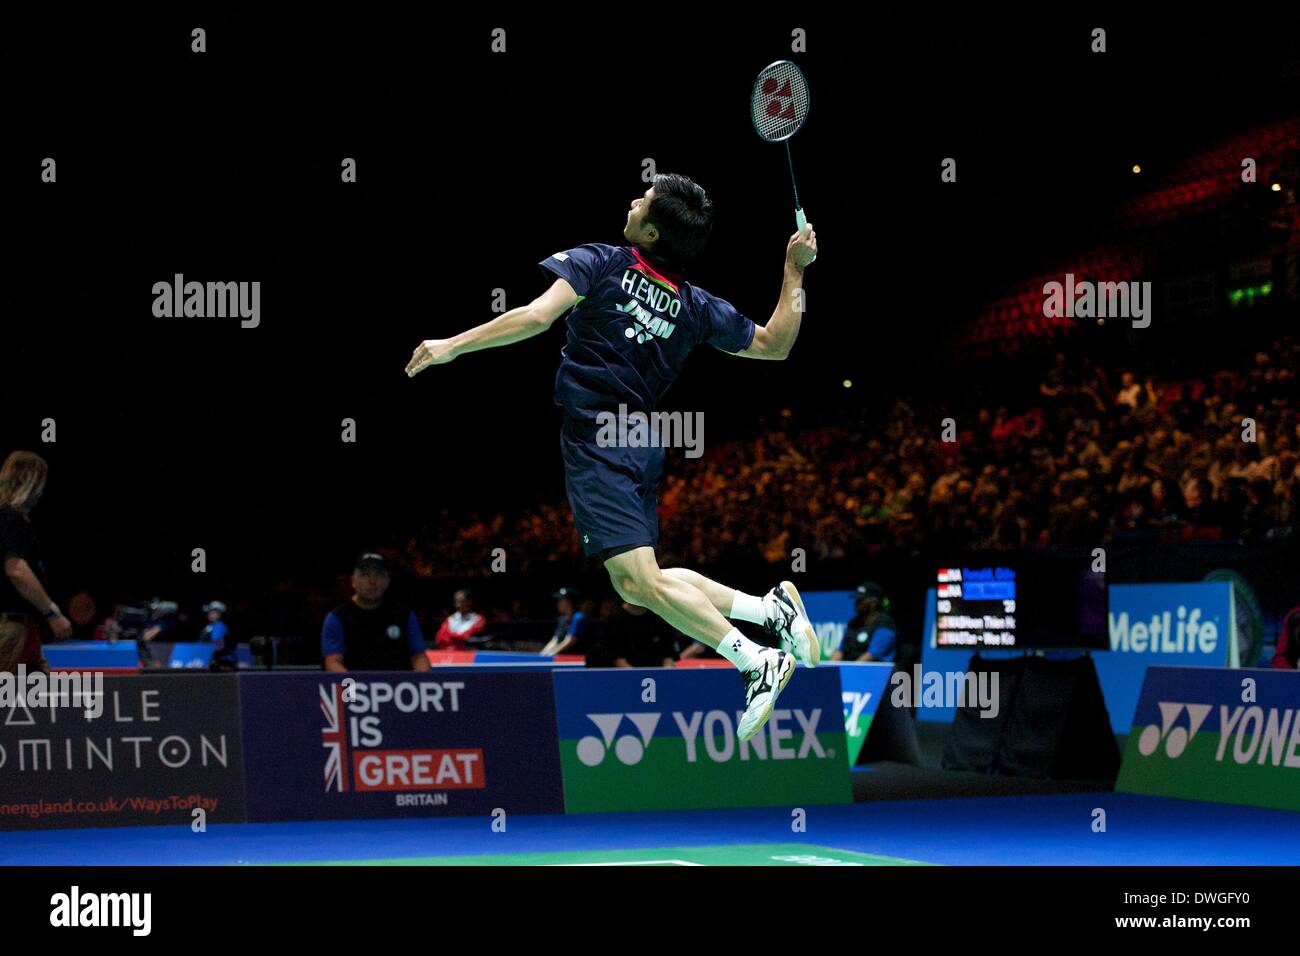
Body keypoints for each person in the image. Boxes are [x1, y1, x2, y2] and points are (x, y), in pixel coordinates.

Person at [408, 173, 820, 740]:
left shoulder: (599, 262)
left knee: (639, 583)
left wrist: (451, 345)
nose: (631, 201)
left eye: (641, 201)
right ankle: (770, 611)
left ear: (650, 230)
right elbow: (778, 345)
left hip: (597, 440)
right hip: (642, 440)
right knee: (636, 583)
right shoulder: (694, 305)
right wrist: (794, 270)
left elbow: (534, 317)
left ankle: (756, 660)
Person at [0, 451, 72, 674]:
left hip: (24, 627)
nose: (42, 491)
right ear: (30, 481)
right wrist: (53, 613)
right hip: (10, 628)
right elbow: (17, 570)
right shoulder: (10, 518)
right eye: (41, 482)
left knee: (44, 700)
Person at [321, 553, 431, 672]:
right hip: (355, 686)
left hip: (398, 687)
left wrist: (422, 684)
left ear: (388, 580)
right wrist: (354, 689)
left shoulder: (404, 614)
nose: (372, 581)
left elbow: (419, 657)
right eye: (365, 575)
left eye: (379, 575)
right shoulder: (337, 617)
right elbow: (333, 661)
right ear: (353, 581)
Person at [832, 582, 897, 663]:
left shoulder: (885, 624)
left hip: (873, 672)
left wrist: (850, 670)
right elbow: (840, 651)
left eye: (860, 600)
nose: (856, 602)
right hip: (850, 670)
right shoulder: (853, 623)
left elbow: (871, 655)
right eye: (856, 599)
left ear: (873, 602)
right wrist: (828, 668)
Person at [541, 587, 589, 657]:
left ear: (570, 602)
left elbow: (569, 641)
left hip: (578, 660)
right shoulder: (562, 619)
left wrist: (550, 654)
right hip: (561, 659)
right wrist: (542, 655)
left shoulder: (579, 618)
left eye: (561, 600)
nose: (558, 603)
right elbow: (555, 640)